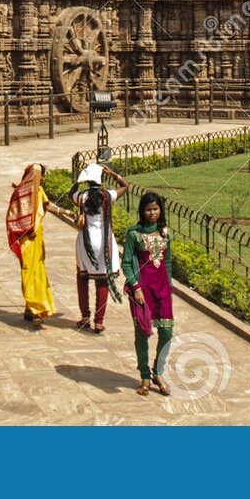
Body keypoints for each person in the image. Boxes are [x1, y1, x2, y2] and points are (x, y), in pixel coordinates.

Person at [123, 191, 175, 396]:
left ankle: (158, 371)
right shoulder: (133, 234)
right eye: (148, 209)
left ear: (160, 210)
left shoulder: (165, 233)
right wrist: (136, 288)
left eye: (155, 209)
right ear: (142, 211)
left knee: (167, 332)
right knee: (142, 332)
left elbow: (168, 261)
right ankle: (144, 375)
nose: (152, 213)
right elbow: (127, 263)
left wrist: (169, 287)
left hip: (162, 288)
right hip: (142, 289)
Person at [67, 160, 127, 332]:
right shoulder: (107, 195)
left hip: (85, 240)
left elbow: (70, 193)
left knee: (83, 278)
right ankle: (99, 320)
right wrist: (113, 174)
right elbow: (125, 185)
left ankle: (85, 317)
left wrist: (78, 180)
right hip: (105, 240)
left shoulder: (81, 196)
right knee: (102, 280)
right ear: (101, 179)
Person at [6, 163, 68, 326]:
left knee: (37, 273)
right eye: (41, 176)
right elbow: (14, 217)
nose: (43, 179)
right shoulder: (21, 193)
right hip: (27, 239)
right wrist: (27, 228)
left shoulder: (38, 191)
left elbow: (47, 206)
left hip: (38, 239)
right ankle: (36, 310)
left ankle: (29, 308)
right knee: (29, 272)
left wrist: (66, 212)